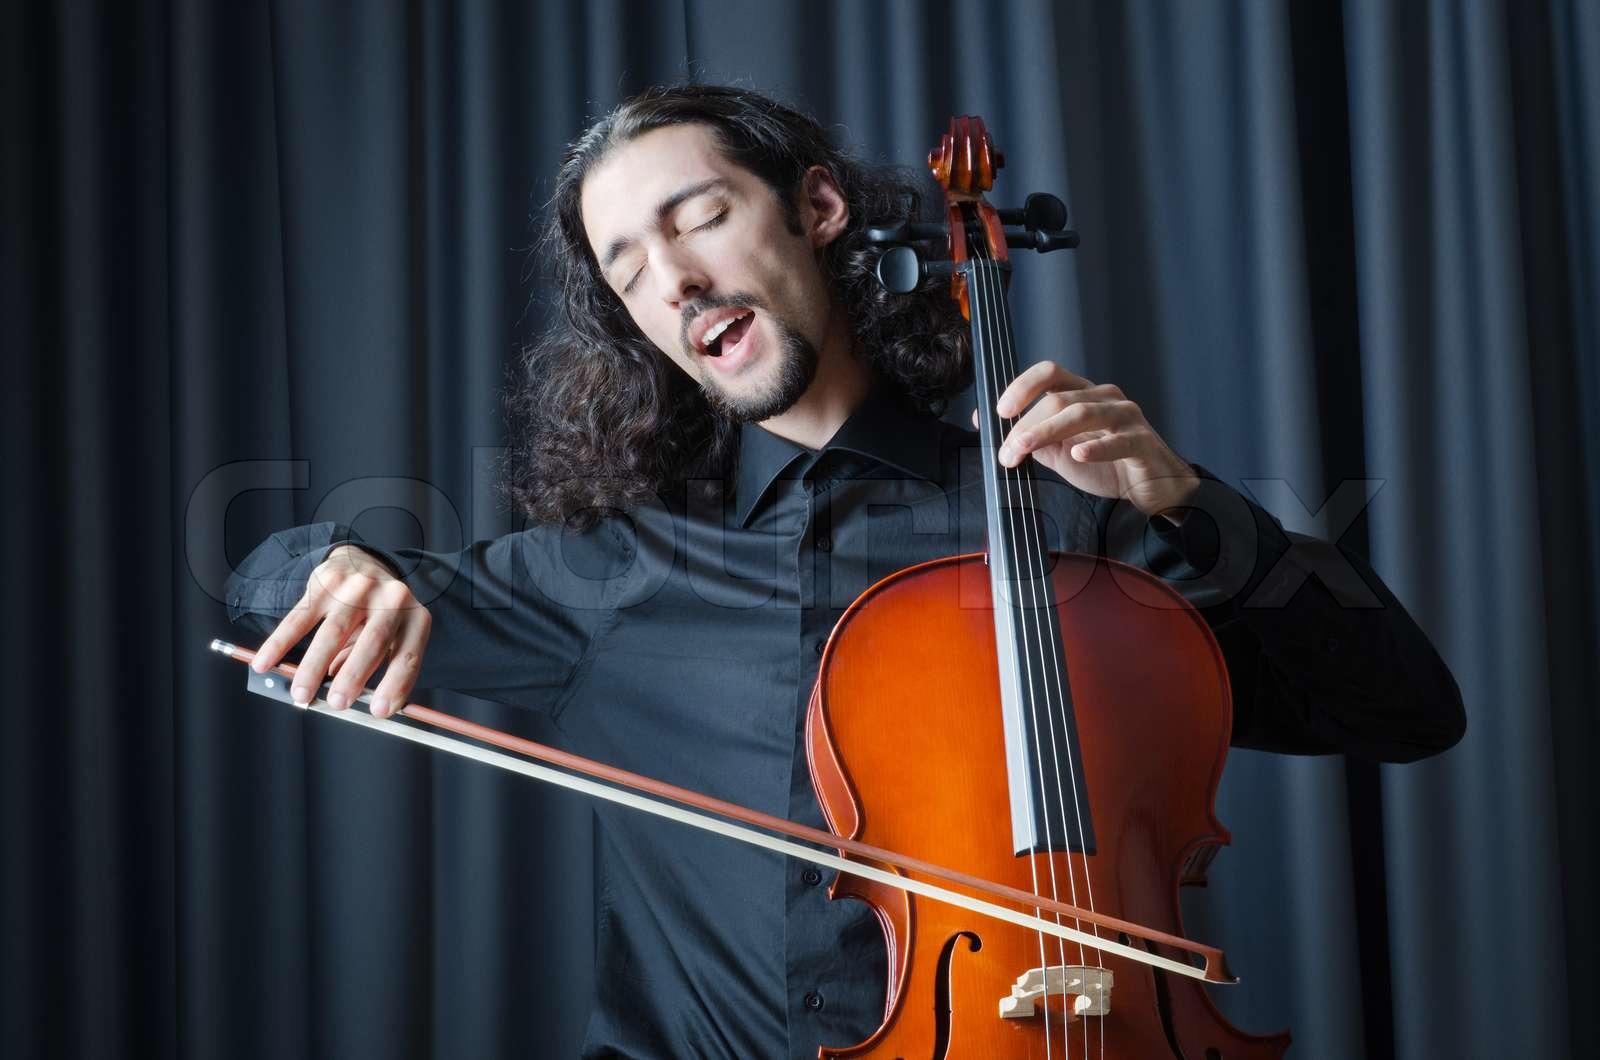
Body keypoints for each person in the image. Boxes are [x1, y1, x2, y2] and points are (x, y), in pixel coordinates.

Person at [226, 84, 1464, 1059]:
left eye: (698, 214)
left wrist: (1193, 506)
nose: (674, 277)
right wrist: (331, 564)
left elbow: (1403, 709)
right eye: (625, 264)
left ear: (816, 210)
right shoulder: (606, 577)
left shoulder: (1066, 534)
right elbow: (264, 588)